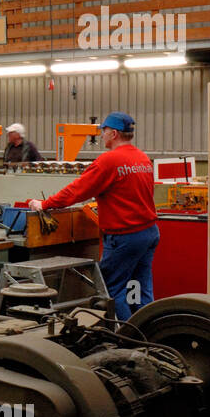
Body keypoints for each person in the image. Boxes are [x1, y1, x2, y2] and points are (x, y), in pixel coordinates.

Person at [28, 111, 158, 320]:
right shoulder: (142, 158)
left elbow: (76, 191)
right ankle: (149, 332)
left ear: (114, 133)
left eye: (104, 131)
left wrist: (44, 204)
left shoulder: (109, 161)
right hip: (148, 233)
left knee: (112, 290)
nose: (101, 135)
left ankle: (127, 339)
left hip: (125, 237)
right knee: (140, 289)